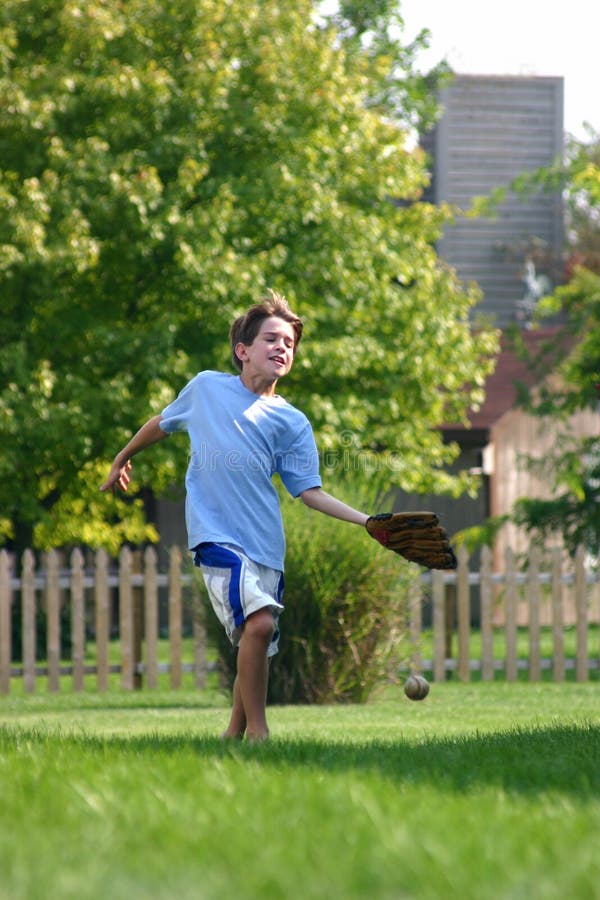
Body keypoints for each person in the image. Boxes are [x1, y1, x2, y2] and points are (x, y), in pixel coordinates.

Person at [100, 290, 369, 741]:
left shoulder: (292, 422)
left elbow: (310, 493)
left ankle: (231, 736)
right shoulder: (206, 388)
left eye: (289, 342)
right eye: (271, 339)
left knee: (255, 639)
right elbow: (162, 422)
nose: (282, 347)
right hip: (215, 537)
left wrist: (366, 521)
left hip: (267, 545)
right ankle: (260, 736)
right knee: (259, 623)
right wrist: (122, 456)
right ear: (243, 351)